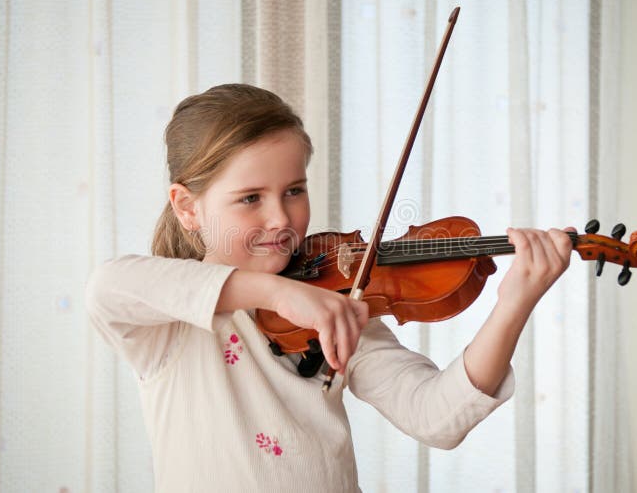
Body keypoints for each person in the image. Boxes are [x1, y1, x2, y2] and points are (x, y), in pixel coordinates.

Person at [85, 83, 574, 492]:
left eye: (294, 190)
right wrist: (277, 293)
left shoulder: (337, 302)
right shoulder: (167, 325)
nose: (280, 218)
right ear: (187, 207)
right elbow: (107, 285)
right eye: (250, 198)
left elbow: (435, 418)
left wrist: (513, 305)